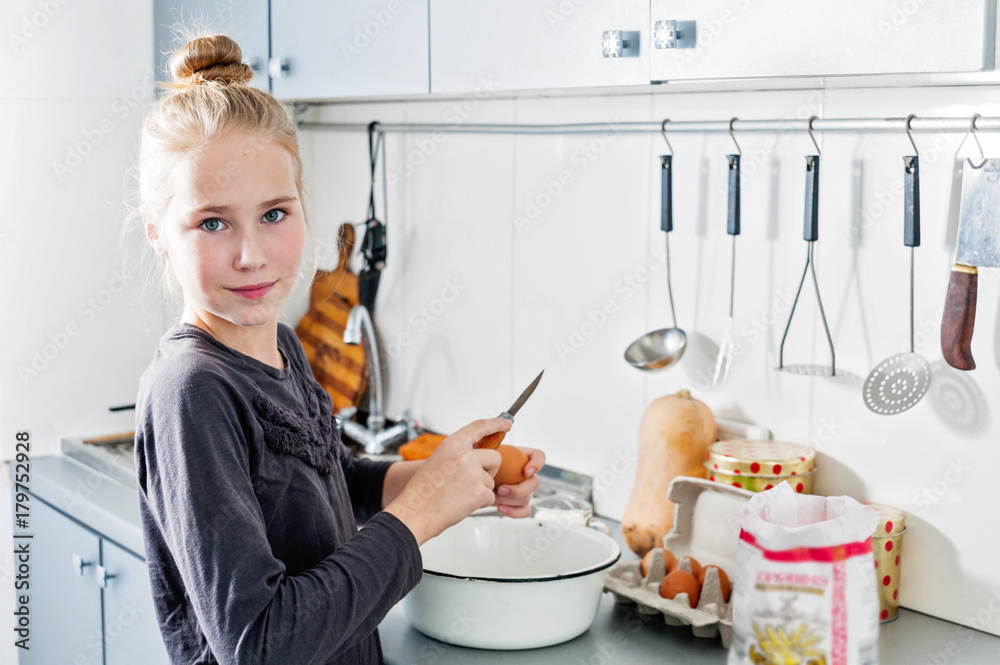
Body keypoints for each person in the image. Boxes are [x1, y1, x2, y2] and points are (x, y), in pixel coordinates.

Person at [127, 33, 545, 664]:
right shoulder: (191, 392)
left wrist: (446, 477)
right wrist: (422, 514)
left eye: (274, 214)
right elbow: (260, 645)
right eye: (213, 222)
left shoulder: (284, 348)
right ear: (159, 232)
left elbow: (330, 483)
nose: (252, 255)